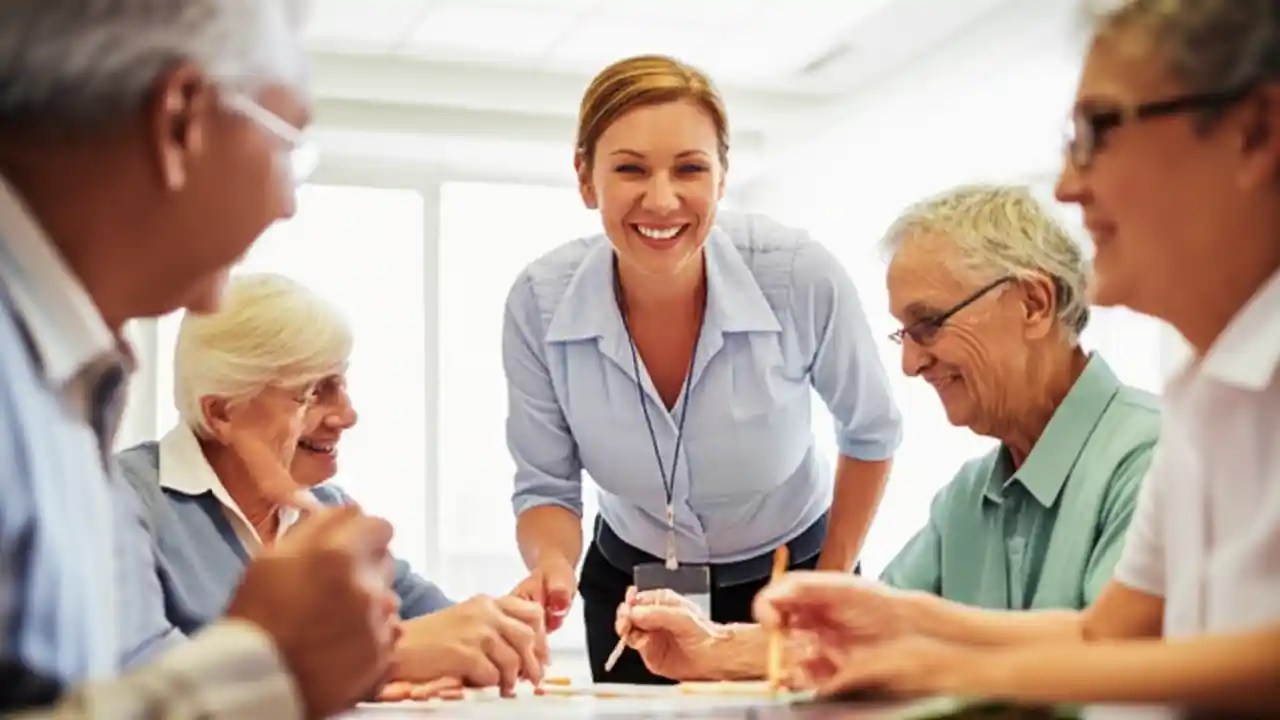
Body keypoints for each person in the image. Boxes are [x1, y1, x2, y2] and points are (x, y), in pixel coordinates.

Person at [754, 0, 1280, 715]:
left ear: (1255, 134)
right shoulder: (1204, 390)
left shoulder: (1154, 435)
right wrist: (903, 622)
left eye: (1098, 131)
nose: (1066, 185)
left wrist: (937, 664)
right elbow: (1107, 636)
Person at [0, 1, 403, 717]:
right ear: (182, 120)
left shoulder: (63, 385)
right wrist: (264, 666)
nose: (287, 205)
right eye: (288, 146)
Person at [614, 185, 1160, 682]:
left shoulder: (1153, 461)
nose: (911, 363)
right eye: (904, 332)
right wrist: (712, 646)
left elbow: (1119, 664)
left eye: (928, 325)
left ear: (1034, 304)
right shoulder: (969, 499)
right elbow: (860, 644)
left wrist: (916, 635)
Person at [505, 53, 903, 684]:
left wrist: (828, 584)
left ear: (722, 177)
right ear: (586, 179)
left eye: (690, 169)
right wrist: (551, 565)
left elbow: (872, 430)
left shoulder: (796, 275)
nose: (661, 200)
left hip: (793, 575)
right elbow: (548, 486)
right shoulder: (539, 302)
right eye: (629, 169)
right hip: (635, 593)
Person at [116, 272, 547, 695]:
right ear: (222, 413)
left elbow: (443, 628)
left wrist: (503, 627)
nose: (347, 415)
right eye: (314, 391)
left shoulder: (325, 509)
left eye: (341, 382)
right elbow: (143, 682)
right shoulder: (121, 498)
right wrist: (383, 662)